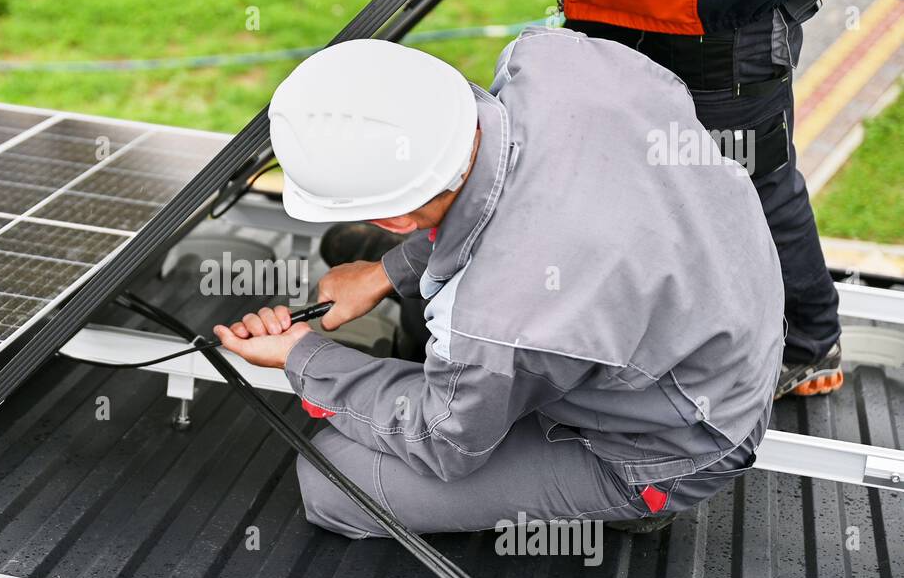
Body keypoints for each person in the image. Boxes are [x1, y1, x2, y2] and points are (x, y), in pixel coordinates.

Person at [212, 32, 784, 538]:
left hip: (681, 442)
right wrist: (388, 273)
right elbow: (512, 185)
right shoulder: (553, 63)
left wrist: (303, 356)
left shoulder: (499, 316)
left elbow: (445, 440)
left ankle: (631, 504)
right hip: (732, 323)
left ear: (392, 220)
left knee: (332, 477)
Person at [553, 0, 854, 397]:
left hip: (721, 19)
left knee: (752, 181)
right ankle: (647, 323)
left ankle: (808, 343)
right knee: (618, 171)